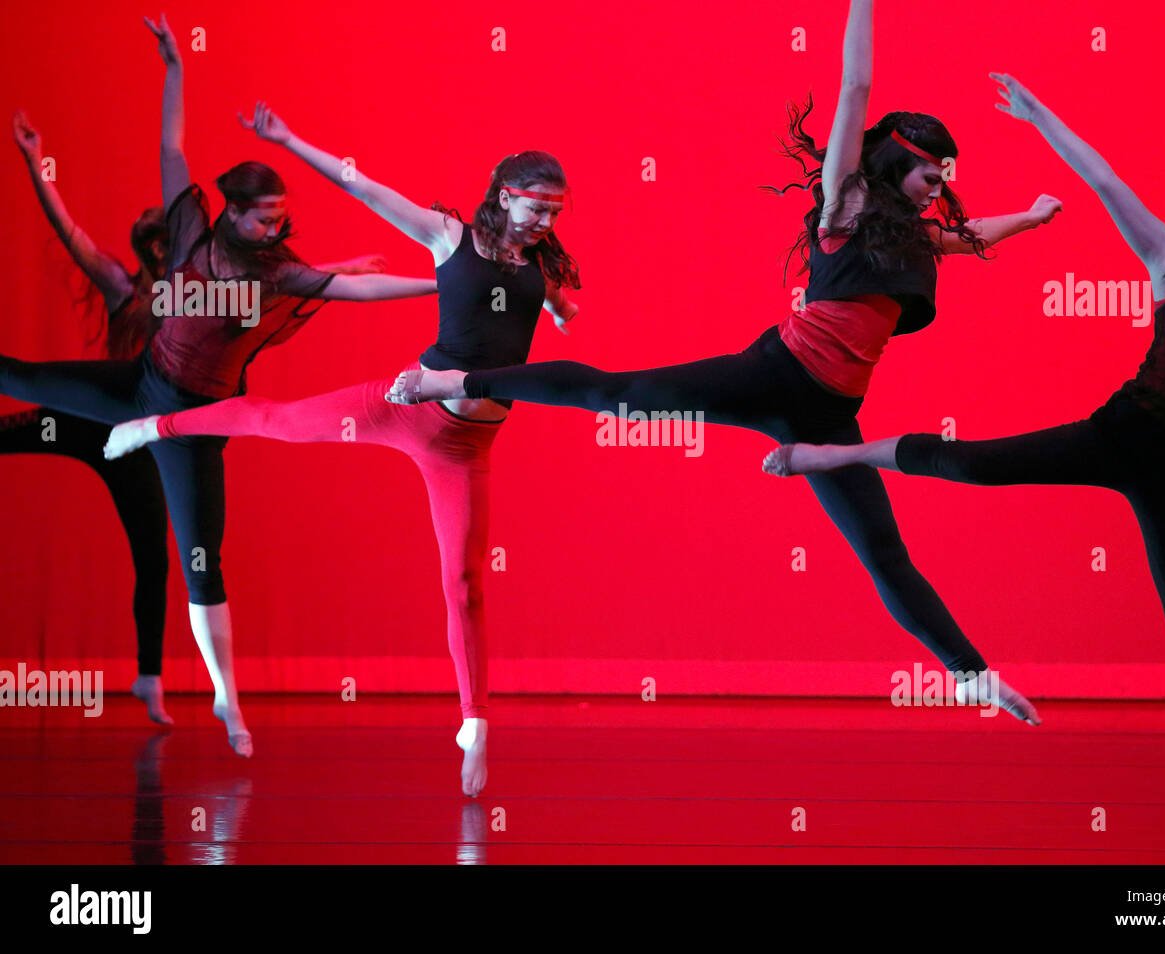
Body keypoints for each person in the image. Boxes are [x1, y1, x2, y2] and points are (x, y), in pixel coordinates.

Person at [383, 1, 1059, 723]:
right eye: (931, 175)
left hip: (829, 414)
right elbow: (855, 88)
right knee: (622, 397)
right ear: (895, 160)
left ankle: (969, 673)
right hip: (776, 373)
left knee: (883, 550)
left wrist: (1032, 215)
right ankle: (448, 381)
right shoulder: (846, 202)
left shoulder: (913, 236)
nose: (942, 187)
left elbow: (966, 237)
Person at [762, 72, 1165, 855]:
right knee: (974, 466)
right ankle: (831, 452)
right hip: (1119, 436)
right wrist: (1043, 113)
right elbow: (1105, 180)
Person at [105, 101, 581, 797]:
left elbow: (553, 313)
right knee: (278, 419)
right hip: (405, 407)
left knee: (465, 584)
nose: (546, 225)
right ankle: (154, 427)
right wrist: (288, 139)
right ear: (505, 197)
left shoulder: (542, 263)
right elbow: (363, 187)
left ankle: (473, 723)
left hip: (467, 446)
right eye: (538, 210)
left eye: (555, 215)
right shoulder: (447, 236)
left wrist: (557, 307)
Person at [0, 14, 440, 756]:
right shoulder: (192, 229)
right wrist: (175, 63)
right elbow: (172, 145)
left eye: (280, 219)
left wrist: (440, 284)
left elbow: (358, 293)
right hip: (140, 387)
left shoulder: (279, 272)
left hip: (195, 422)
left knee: (202, 561)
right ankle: (203, 692)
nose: (276, 229)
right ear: (232, 212)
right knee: (20, 375)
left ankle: (227, 702)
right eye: (264, 219)